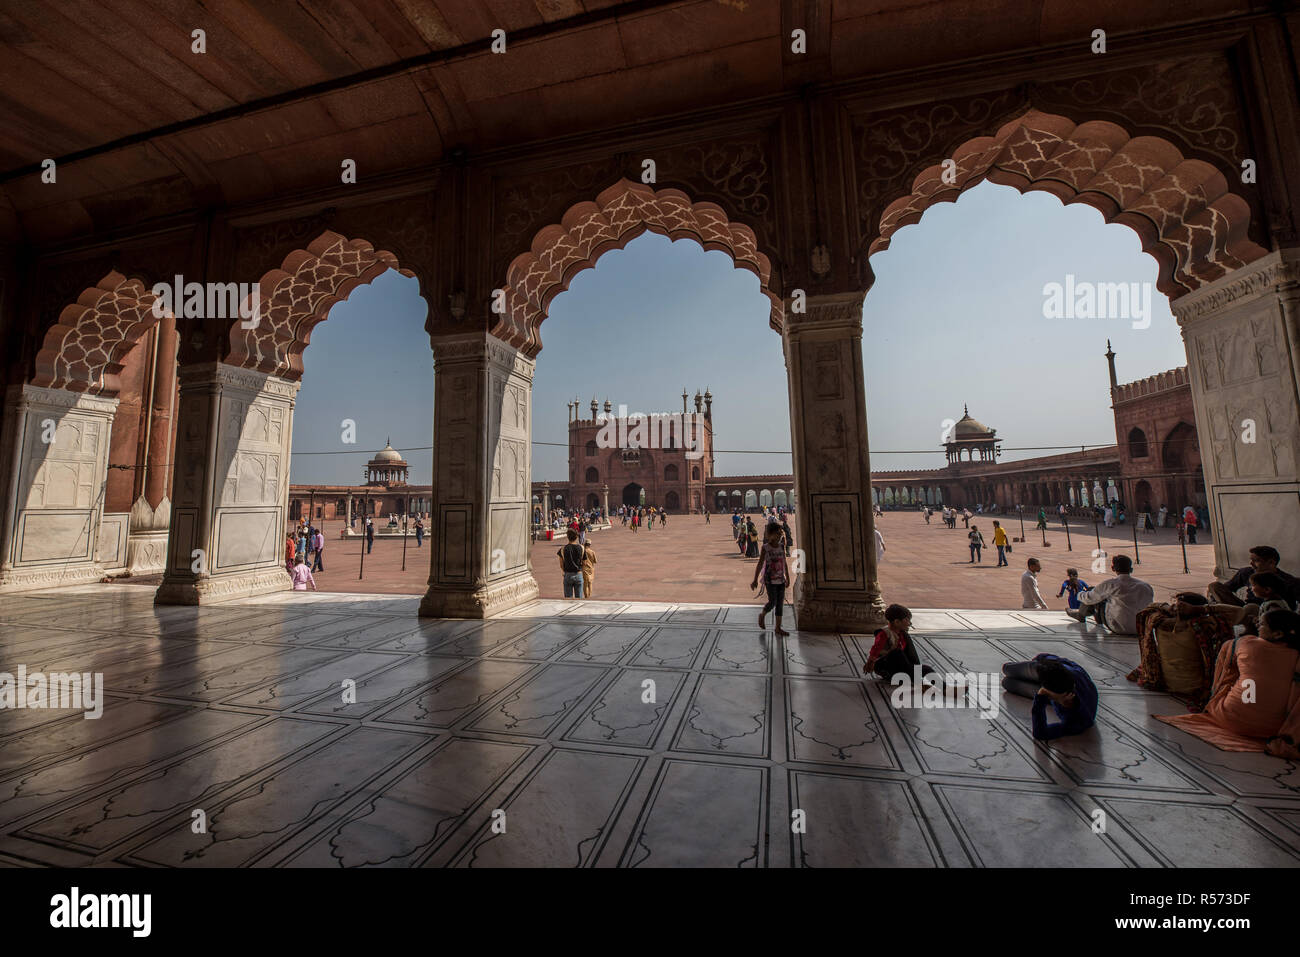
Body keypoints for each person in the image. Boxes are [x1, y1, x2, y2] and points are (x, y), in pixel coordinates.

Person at [1156, 609, 1300, 759]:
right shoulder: (1297, 657)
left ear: (1278, 634)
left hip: (1230, 718)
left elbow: (1225, 673)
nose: (1258, 625)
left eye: (1262, 624)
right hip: (1272, 729)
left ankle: (1223, 703)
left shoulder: (1246, 643)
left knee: (1232, 673)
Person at [1001, 654, 1098, 741]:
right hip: (1048, 669)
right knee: (1006, 669)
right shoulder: (1070, 675)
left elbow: (1040, 733)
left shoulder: (1077, 721)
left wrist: (1040, 696)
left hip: (1049, 681)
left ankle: (1040, 679)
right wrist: (1041, 662)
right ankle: (1038, 671)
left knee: (1006, 683)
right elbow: (1062, 664)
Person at [1067, 554, 1154, 634]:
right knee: (1104, 596)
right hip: (1141, 627)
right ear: (1131, 569)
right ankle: (1088, 615)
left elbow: (1089, 598)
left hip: (1119, 627)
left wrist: (1080, 594)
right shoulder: (1145, 586)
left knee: (1094, 593)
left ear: (1113, 568)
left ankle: (1080, 615)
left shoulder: (1111, 584)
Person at [1207, 545, 1300, 607]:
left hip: (1271, 613)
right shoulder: (1247, 572)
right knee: (1214, 586)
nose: (1251, 564)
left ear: (1271, 562)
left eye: (1256, 561)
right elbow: (1227, 588)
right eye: (1251, 560)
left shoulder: (1288, 581)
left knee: (1252, 608)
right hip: (1245, 608)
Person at [864, 604, 936, 682]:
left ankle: (944, 688)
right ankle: (912, 678)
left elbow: (911, 655)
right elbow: (875, 649)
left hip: (903, 668)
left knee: (927, 669)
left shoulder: (903, 635)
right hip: (886, 667)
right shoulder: (884, 633)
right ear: (897, 622)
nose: (910, 623)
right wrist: (870, 663)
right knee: (897, 652)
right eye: (907, 620)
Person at [752, 522, 791, 636]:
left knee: (780, 604)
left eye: (780, 534)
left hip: (781, 579)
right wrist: (755, 579)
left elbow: (785, 562)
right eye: (777, 534)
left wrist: (787, 577)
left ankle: (778, 628)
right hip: (770, 580)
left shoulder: (781, 546)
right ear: (770, 534)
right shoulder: (765, 548)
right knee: (772, 602)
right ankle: (763, 614)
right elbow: (760, 564)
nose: (779, 536)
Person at [557, 528, 586, 598]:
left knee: (568, 599)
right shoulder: (582, 548)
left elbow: (561, 564)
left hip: (568, 574)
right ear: (576, 537)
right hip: (578, 574)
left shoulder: (563, 549)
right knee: (579, 599)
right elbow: (584, 563)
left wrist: (565, 570)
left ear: (567, 537)